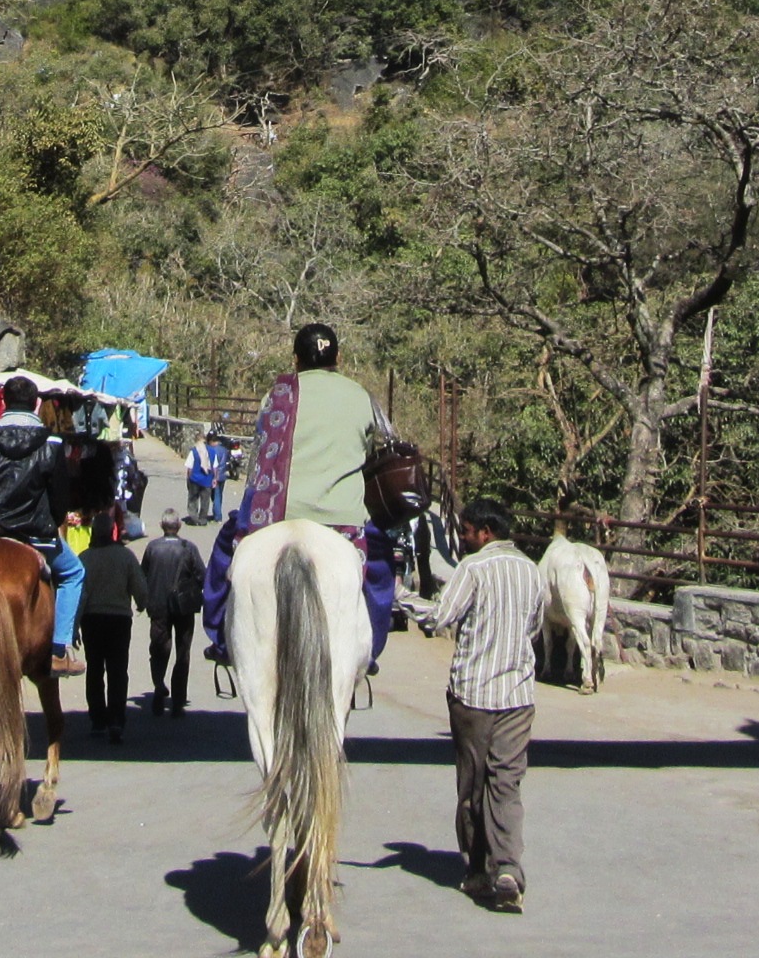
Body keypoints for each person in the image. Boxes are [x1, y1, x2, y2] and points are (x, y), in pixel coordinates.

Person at [202, 326, 395, 669]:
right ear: (338, 358)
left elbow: (261, 451)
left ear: (295, 360)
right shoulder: (361, 396)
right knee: (380, 571)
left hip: (277, 514)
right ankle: (370, 649)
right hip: (344, 521)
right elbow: (367, 453)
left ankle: (221, 638)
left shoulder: (277, 395)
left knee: (223, 555)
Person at [410, 499, 543, 914]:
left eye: (466, 531)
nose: (463, 538)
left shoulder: (473, 569)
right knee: (507, 782)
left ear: (485, 532)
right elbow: (534, 627)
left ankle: (480, 870)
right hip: (518, 697)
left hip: (473, 696)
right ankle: (509, 868)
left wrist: (398, 597)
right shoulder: (532, 571)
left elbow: (440, 618)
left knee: (472, 785)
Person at [0, 378, 84, 675]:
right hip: (35, 535)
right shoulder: (52, 442)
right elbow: (60, 500)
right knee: (75, 573)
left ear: (4, 401)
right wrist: (51, 520)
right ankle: (59, 649)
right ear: (36, 403)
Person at [76, 518, 141, 743]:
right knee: (118, 671)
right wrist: (143, 603)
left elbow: (79, 596)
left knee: (94, 670)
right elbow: (139, 586)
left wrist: (73, 627)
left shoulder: (84, 558)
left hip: (92, 619)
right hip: (119, 619)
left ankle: (97, 719)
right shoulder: (125, 557)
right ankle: (116, 719)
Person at [140, 511, 204, 718]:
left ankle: (159, 684)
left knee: (159, 649)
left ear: (161, 525)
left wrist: (143, 600)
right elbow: (202, 576)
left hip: (157, 606)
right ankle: (177, 702)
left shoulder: (152, 548)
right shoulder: (189, 548)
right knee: (182, 653)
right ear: (179, 526)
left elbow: (143, 575)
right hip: (183, 607)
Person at [185, 436, 219, 525]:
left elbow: (189, 467)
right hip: (207, 480)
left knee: (193, 499)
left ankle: (193, 518)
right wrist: (215, 478)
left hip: (195, 479)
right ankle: (203, 519)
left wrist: (188, 478)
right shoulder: (212, 451)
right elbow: (215, 467)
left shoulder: (194, 451)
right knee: (205, 500)